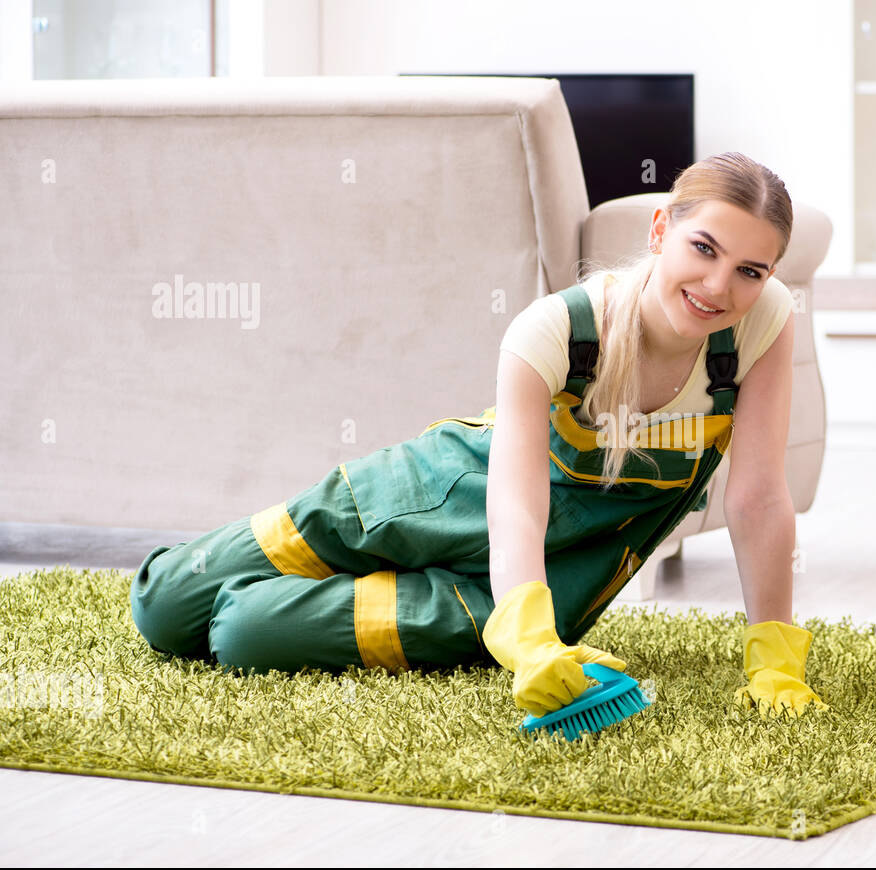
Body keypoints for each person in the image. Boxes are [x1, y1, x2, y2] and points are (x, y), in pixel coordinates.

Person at [129, 151, 830, 721]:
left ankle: (317, 602)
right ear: (658, 229)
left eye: (749, 270)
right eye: (702, 248)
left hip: (530, 579)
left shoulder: (762, 322)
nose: (718, 285)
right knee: (163, 607)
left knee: (242, 633)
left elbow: (759, 497)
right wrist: (526, 634)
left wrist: (773, 656)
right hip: (436, 496)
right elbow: (516, 506)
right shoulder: (552, 330)